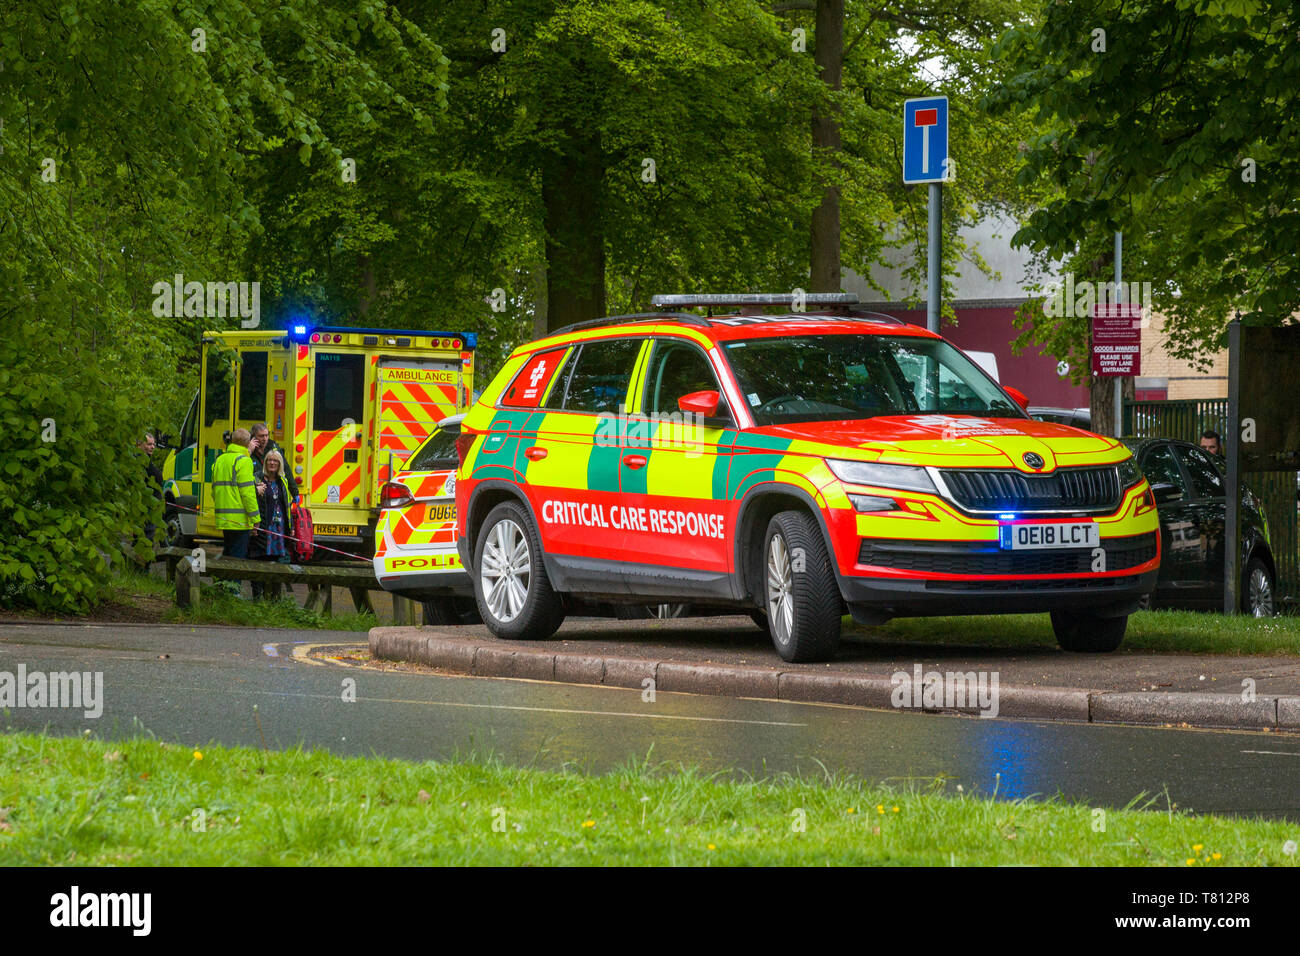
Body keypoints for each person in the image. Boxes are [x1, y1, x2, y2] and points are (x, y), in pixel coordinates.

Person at [212, 428, 261, 594]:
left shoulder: (220, 459)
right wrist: (256, 518)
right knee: (237, 558)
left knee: (227, 554)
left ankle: (222, 589)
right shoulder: (244, 461)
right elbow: (248, 493)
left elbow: (214, 490)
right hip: (240, 519)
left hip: (224, 517)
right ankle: (233, 592)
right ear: (248, 443)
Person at [250, 450, 295, 599]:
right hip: (263, 527)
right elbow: (250, 499)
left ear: (280, 463)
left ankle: (274, 598)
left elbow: (286, 506)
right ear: (265, 462)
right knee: (259, 561)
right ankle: (258, 597)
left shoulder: (283, 481)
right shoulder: (257, 478)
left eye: (275, 461)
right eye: (269, 460)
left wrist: (291, 527)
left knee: (277, 563)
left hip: (279, 529)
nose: (272, 463)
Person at [249, 423, 299, 499]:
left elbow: (285, 468)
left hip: (273, 492)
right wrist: (249, 450)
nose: (265, 439)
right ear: (253, 437)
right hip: (257, 493)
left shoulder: (273, 447)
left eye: (266, 435)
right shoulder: (248, 450)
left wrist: (294, 492)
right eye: (261, 436)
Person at [137, 432, 163, 543]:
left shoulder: (147, 460)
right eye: (148, 444)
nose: (152, 447)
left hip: (151, 508)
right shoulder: (139, 462)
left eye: (154, 444)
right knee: (144, 539)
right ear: (139, 445)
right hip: (144, 509)